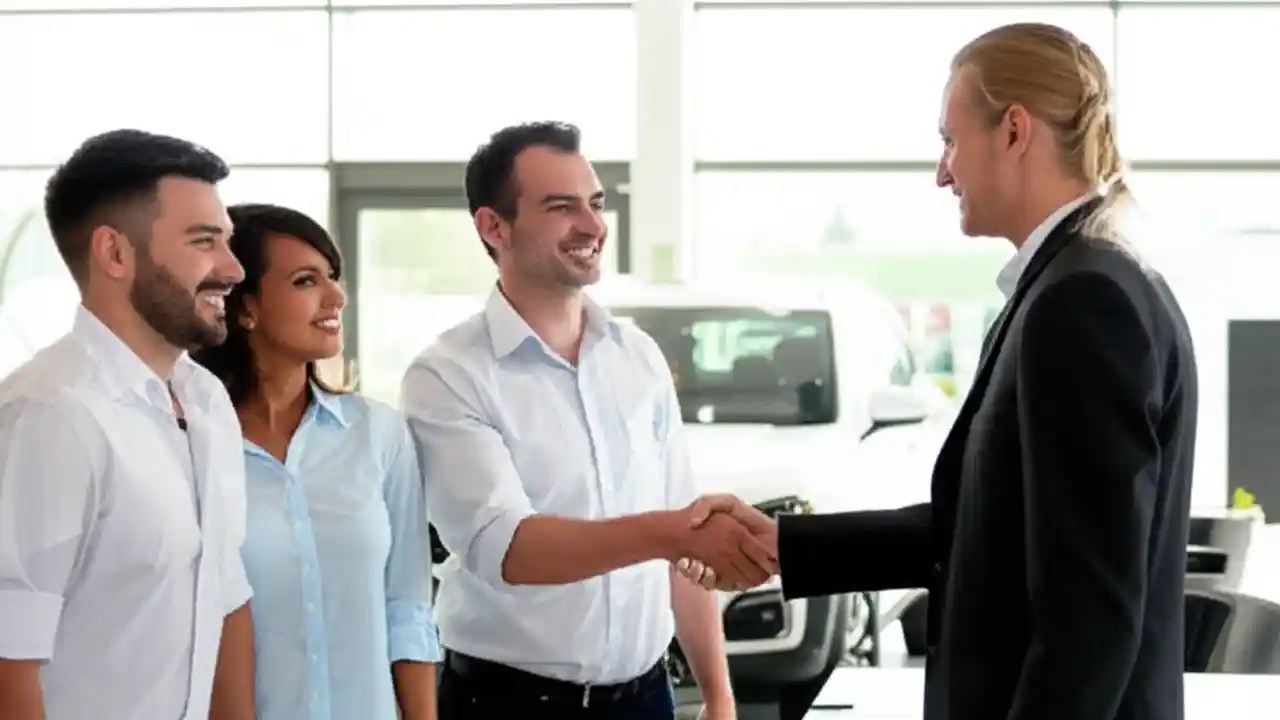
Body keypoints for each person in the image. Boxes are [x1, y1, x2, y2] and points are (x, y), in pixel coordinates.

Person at [683, 22, 1198, 720]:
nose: (942, 171)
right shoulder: (1081, 281)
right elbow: (985, 526)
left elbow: (1089, 619)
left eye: (950, 140)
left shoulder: (1082, 301)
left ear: (1015, 131)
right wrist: (785, 545)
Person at [401, 121, 775, 720]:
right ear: (494, 226)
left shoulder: (638, 357)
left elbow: (686, 528)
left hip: (646, 696)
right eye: (561, 207)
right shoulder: (447, 375)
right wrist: (668, 532)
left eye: (596, 204)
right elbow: (510, 549)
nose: (593, 226)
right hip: (508, 703)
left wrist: (718, 694)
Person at [0, 129, 255, 719]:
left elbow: (223, 596)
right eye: (203, 241)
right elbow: (10, 666)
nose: (234, 268)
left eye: (228, 242)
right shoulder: (49, 416)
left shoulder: (208, 401)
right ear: (114, 253)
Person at [191, 203, 443, 719]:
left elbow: (407, 609)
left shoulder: (378, 433)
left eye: (333, 278)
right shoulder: (193, 445)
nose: (336, 297)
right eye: (306, 281)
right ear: (244, 307)